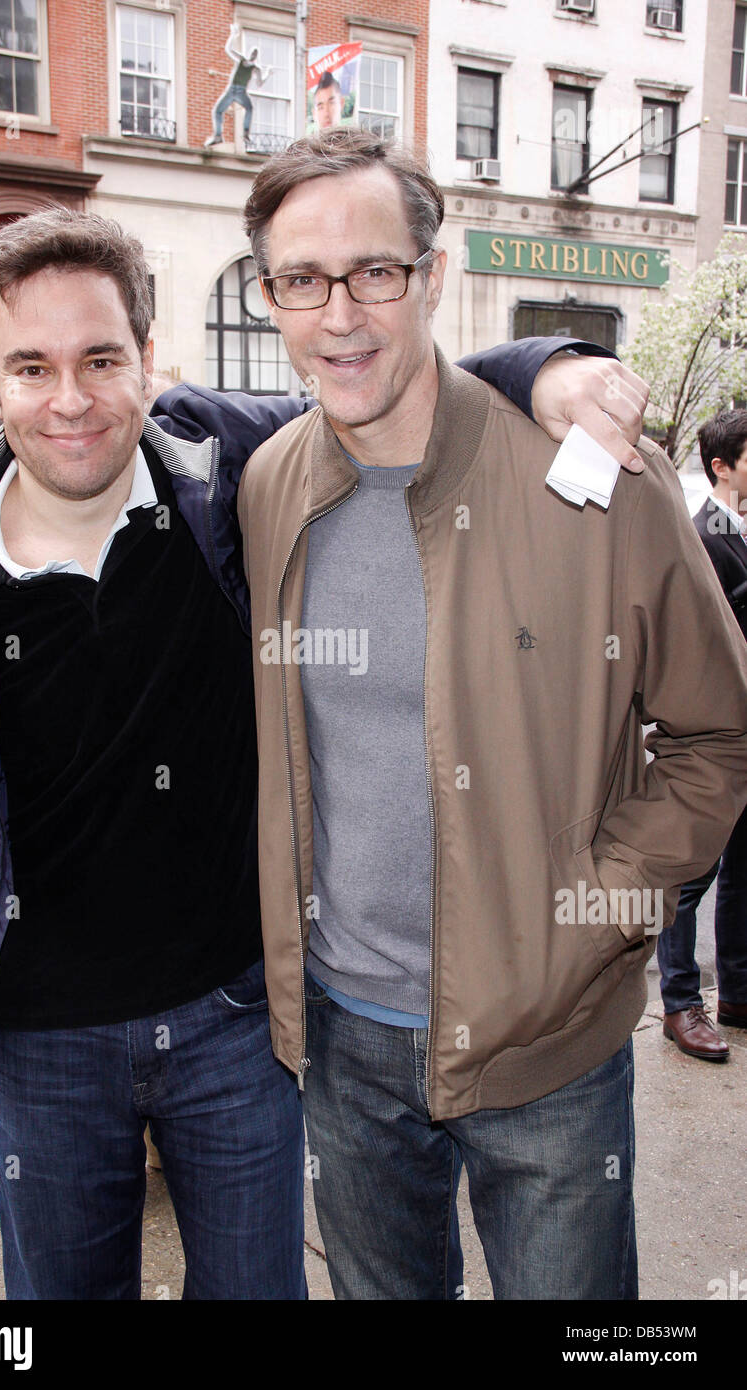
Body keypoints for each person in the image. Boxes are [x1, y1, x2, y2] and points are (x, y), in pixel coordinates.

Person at [0, 205, 653, 1302]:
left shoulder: (217, 461)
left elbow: (384, 384)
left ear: (149, 358)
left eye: (102, 357)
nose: (70, 398)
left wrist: (548, 364)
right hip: (43, 1045)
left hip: (233, 1026)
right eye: (33, 365)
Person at [236, 129, 747, 1300]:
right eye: (301, 281)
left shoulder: (595, 474)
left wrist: (593, 916)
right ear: (270, 297)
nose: (342, 313)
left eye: (376, 271)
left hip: (549, 1046)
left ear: (431, 273)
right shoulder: (270, 485)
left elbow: (715, 733)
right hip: (342, 1048)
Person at [659, 409, 747, 1061]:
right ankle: (681, 1004)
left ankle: (737, 993)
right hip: (715, 732)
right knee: (691, 874)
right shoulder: (703, 537)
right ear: (722, 466)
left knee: (744, 868)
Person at [205, 23, 272, 154]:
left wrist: (268, 72)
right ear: (250, 53)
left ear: (256, 56)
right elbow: (228, 49)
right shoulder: (241, 60)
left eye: (255, 53)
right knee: (218, 111)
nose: (253, 55)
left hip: (240, 91)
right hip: (233, 90)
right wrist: (233, 35)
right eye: (252, 52)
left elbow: (259, 83)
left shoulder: (255, 68)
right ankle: (218, 136)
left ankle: (246, 132)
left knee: (249, 108)